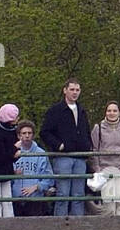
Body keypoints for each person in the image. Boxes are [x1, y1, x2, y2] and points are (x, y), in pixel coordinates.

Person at [39, 78, 92, 216]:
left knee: (78, 195)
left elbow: (86, 130)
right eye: (72, 89)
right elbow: (44, 132)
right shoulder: (55, 110)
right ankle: (60, 225)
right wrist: (59, 145)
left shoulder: (81, 110)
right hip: (63, 157)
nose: (75, 93)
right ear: (65, 90)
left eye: (77, 90)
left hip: (80, 157)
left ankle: (77, 226)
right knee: (63, 193)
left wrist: (88, 147)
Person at [87, 102, 120, 215]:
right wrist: (97, 169)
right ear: (105, 112)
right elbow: (94, 150)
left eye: (114, 111)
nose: (112, 113)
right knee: (109, 207)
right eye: (109, 110)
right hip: (106, 170)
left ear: (119, 112)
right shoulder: (98, 128)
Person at [10, 120, 56, 216]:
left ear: (33, 135)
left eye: (29, 133)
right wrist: (12, 173)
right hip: (15, 199)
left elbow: (49, 178)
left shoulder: (41, 154)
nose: (27, 136)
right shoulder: (12, 152)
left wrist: (36, 187)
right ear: (19, 136)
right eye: (24, 133)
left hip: (35, 200)